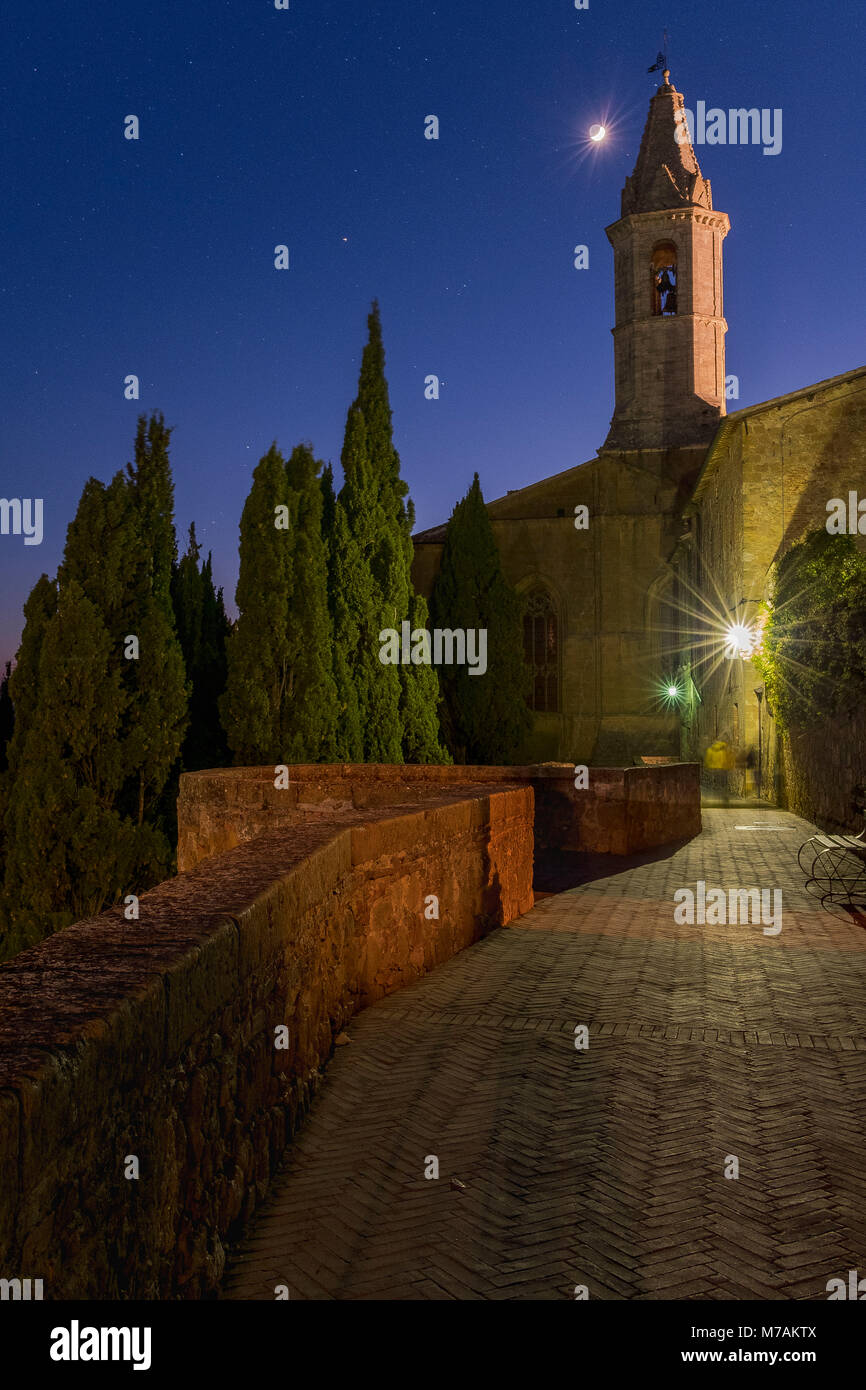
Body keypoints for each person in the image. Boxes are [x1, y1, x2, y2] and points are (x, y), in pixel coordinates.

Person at [705, 733, 735, 806]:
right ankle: (724, 796)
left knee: (717, 783)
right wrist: (730, 766)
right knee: (724, 783)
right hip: (723, 768)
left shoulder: (710, 749)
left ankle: (716, 797)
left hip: (714, 768)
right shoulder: (725, 749)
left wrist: (708, 766)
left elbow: (708, 760)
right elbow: (729, 757)